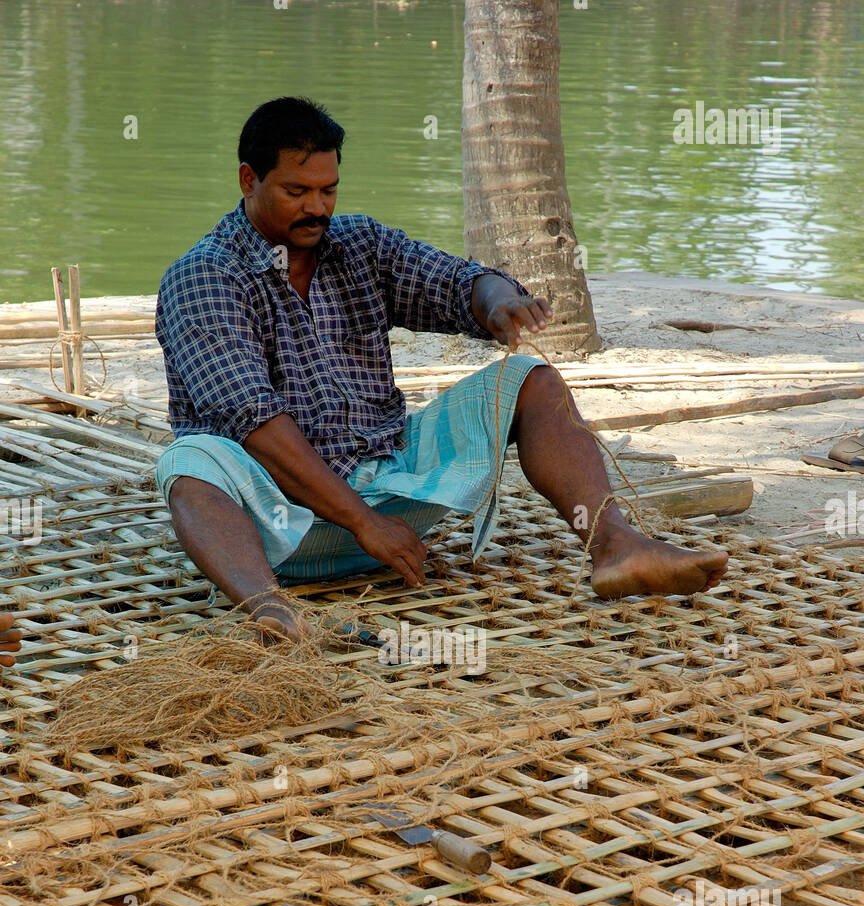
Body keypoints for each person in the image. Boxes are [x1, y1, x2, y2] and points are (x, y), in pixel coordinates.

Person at [155, 97, 727, 640]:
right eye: (296, 191)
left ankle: (616, 546)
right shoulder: (204, 276)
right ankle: (271, 608)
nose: (317, 208)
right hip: (280, 527)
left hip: (394, 498)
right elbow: (254, 422)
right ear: (248, 180)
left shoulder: (358, 244)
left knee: (530, 381)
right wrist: (362, 522)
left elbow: (458, 281)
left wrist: (498, 302)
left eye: (328, 190)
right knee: (192, 458)